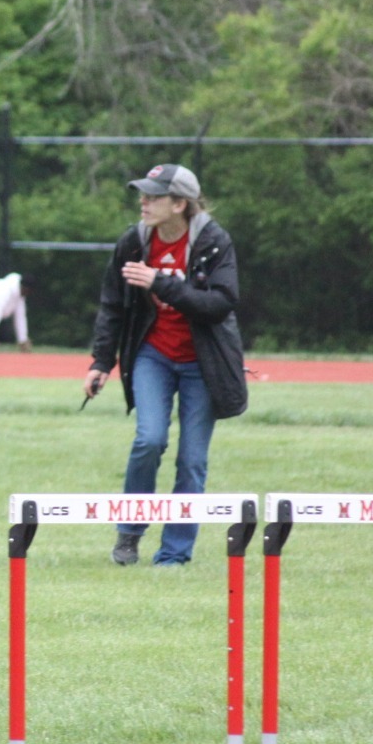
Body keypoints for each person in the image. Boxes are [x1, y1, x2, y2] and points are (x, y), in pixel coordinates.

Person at [83, 163, 247, 566]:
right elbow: (112, 305)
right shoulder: (134, 242)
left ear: (179, 204)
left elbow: (220, 304)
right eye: (143, 194)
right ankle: (129, 532)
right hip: (152, 355)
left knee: (192, 459)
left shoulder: (213, 241)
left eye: (153, 196)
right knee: (149, 439)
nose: (143, 202)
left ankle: (174, 555)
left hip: (202, 362)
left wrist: (161, 282)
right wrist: (101, 361)